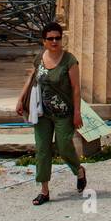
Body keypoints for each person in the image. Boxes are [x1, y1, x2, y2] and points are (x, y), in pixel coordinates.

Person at [15, 22, 86, 205]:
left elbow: (76, 89)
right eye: (50, 38)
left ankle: (78, 170)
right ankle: (44, 191)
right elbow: (32, 78)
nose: (54, 41)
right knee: (42, 150)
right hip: (41, 113)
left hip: (63, 112)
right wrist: (21, 99)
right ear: (44, 41)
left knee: (63, 147)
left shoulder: (69, 60)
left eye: (57, 38)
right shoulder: (40, 58)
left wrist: (77, 113)